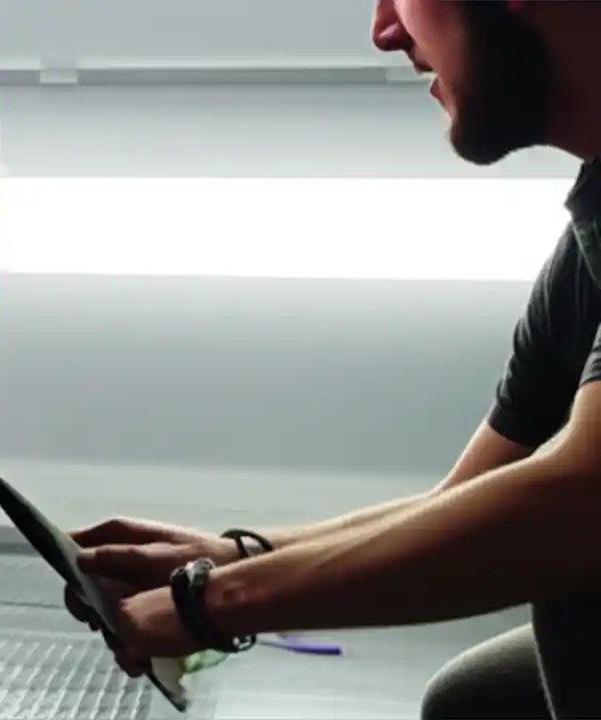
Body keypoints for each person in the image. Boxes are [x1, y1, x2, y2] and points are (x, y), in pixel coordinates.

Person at [63, 1, 601, 718]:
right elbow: (473, 498)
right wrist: (234, 557)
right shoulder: (585, 247)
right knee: (478, 702)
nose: (385, 31)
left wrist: (213, 604)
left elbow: (577, 505)